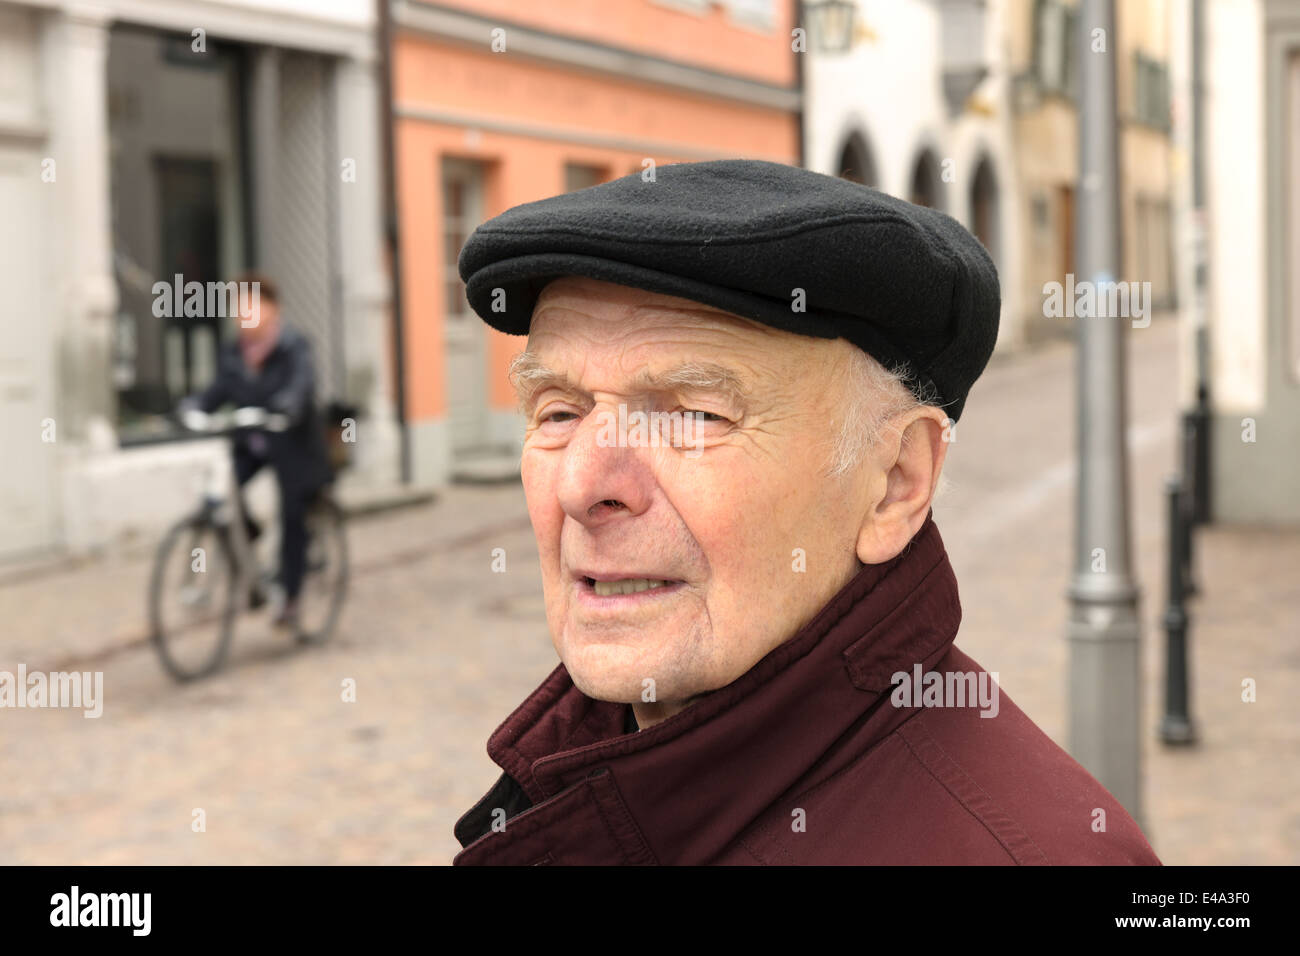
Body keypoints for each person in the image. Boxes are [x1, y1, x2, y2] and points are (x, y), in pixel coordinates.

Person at [448, 159, 1161, 865]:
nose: (580, 484)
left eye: (693, 414)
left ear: (895, 483)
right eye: (559, 411)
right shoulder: (580, 780)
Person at [181, 273, 332, 631]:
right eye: (238, 307)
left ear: (271, 309)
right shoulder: (234, 352)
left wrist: (287, 405)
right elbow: (217, 391)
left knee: (292, 513)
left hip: (292, 440)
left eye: (251, 305)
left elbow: (302, 383)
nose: (243, 314)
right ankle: (248, 545)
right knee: (223, 492)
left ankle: (291, 599)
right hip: (253, 439)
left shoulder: (294, 346)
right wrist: (193, 406)